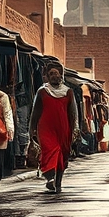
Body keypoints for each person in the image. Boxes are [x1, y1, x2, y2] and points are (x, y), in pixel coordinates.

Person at [32, 61, 80, 193]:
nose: (54, 76)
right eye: (51, 73)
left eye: (57, 73)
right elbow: (35, 112)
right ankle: (50, 178)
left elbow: (73, 112)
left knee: (62, 154)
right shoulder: (42, 92)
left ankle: (57, 181)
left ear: (61, 76)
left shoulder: (68, 92)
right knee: (51, 150)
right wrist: (32, 129)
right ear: (47, 76)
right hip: (46, 128)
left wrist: (75, 128)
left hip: (64, 128)